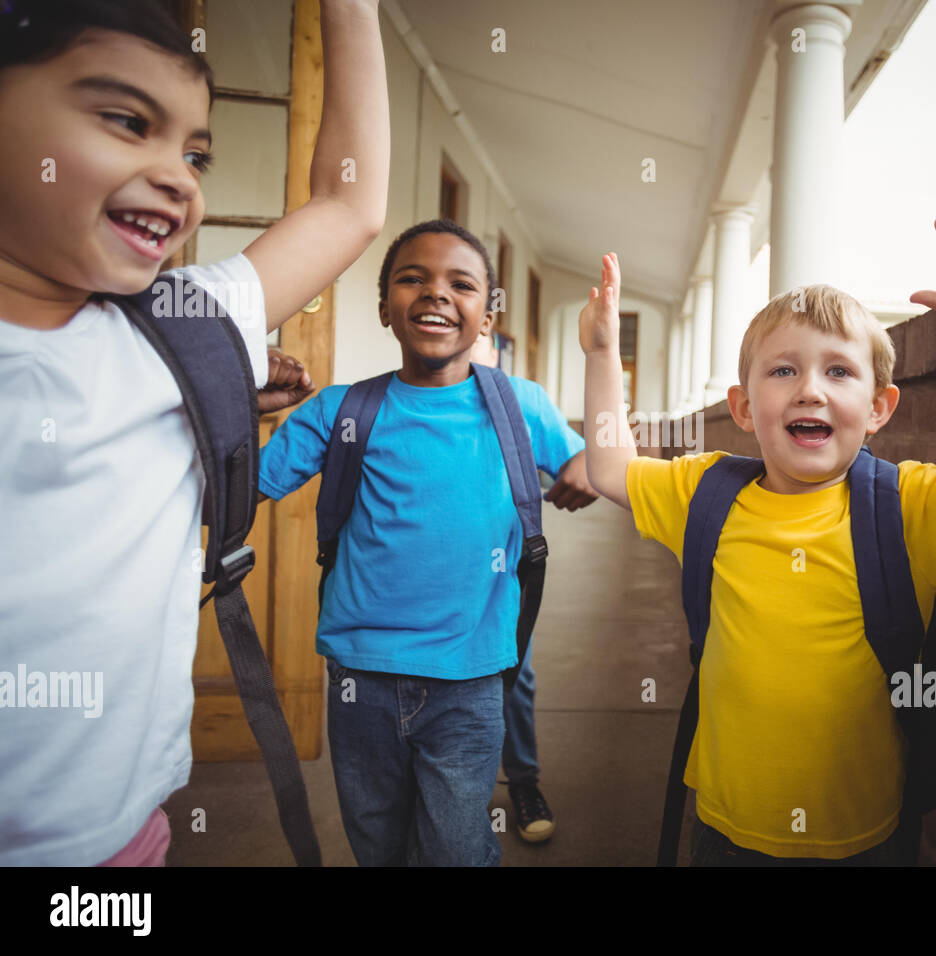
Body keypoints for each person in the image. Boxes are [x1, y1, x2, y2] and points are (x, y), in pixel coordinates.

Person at [579, 204, 936, 865]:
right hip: (724, 828)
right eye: (783, 370)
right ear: (743, 407)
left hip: (863, 840)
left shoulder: (911, 508)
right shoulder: (704, 493)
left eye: (839, 371)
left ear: (879, 408)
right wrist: (602, 353)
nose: (810, 391)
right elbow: (609, 468)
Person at [0, 0, 388, 866]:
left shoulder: (177, 319)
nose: (179, 178)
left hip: (122, 840)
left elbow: (348, 203)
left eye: (195, 153)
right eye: (125, 121)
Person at [256, 219, 593, 866]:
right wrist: (239, 406)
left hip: (472, 678)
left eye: (461, 284)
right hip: (360, 678)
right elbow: (229, 497)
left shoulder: (521, 406)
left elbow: (600, 469)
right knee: (376, 843)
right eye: (413, 279)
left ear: (486, 319)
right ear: (385, 308)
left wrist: (592, 464)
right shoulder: (340, 412)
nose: (436, 293)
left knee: (455, 849)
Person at [468, 326, 597, 843]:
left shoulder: (521, 400)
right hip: (417, 590)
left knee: (512, 675)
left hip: (501, 580)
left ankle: (522, 780)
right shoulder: (386, 403)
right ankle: (450, 792)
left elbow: (584, 460)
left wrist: (588, 464)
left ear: (487, 331)